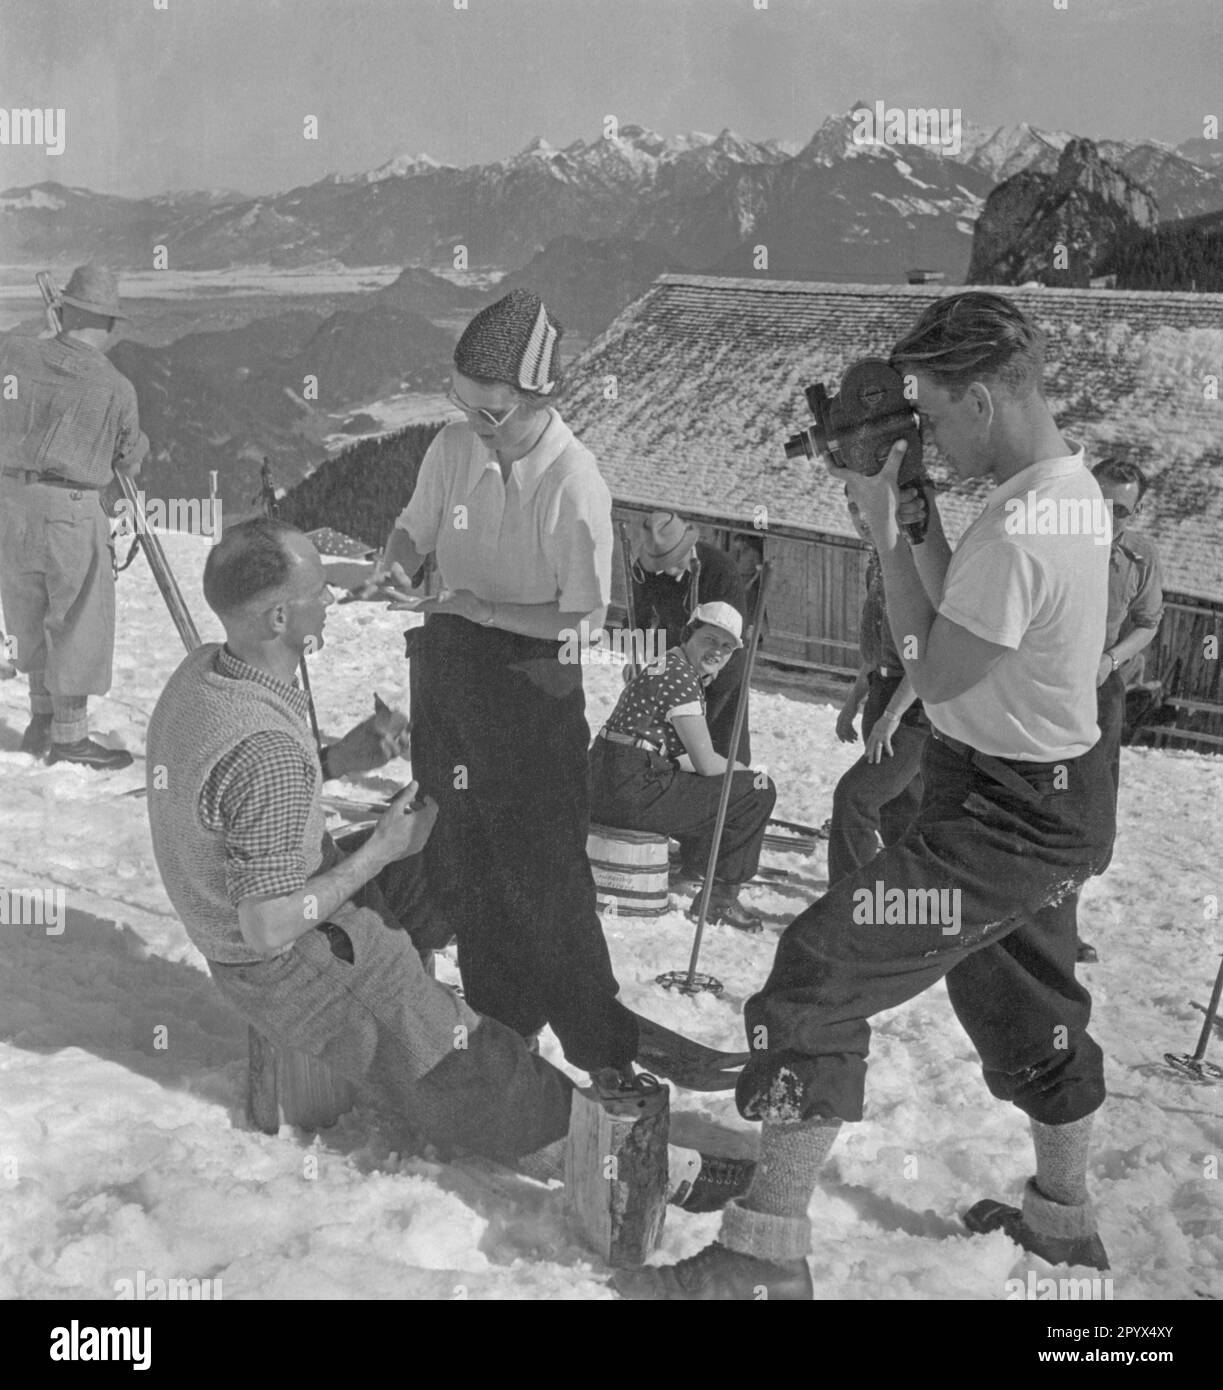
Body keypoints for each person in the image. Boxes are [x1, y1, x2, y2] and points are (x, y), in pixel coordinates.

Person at [616, 290, 1116, 1300]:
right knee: (1024, 1001)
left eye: (930, 414)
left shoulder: (1027, 530)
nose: (924, 433)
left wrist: (885, 531)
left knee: (817, 969)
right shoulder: (1055, 492)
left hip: (1003, 820)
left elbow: (929, 670)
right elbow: (953, 603)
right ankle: (1062, 1225)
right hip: (1025, 795)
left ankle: (763, 1258)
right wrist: (915, 515)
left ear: (980, 398)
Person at [145, 516, 753, 1209]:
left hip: (283, 899)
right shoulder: (267, 753)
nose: (333, 599)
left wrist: (342, 762)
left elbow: (238, 802)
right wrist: (379, 849)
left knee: (461, 848)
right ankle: (641, 1163)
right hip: (288, 960)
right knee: (455, 1056)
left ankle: (521, 1000)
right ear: (280, 616)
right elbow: (266, 925)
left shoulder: (208, 673)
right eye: (319, 589)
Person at [372, 289, 639, 1089]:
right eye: (465, 406)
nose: (474, 423)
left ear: (535, 400)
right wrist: (396, 558)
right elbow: (414, 526)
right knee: (464, 861)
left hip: (530, 685)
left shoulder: (574, 482)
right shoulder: (455, 447)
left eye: (490, 412)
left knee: (544, 879)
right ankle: (503, 1030)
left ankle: (603, 1055)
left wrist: (481, 606)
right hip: (451, 663)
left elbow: (583, 618)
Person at [0, 264, 148, 770]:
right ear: (106, 323)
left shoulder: (14, 355)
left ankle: (40, 719)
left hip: (10, 503)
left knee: (27, 610)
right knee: (76, 617)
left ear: (64, 309)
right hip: (69, 509)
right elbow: (126, 458)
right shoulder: (113, 386)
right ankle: (69, 736)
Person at [590, 601, 776, 933]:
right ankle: (720, 898)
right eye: (710, 640)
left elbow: (683, 757)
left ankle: (699, 863)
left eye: (727, 647)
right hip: (631, 790)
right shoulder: (681, 679)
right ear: (689, 634)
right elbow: (705, 763)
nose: (717, 652)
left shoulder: (665, 665)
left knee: (728, 781)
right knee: (758, 790)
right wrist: (745, 773)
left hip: (603, 781)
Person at [1074, 456, 1164, 963]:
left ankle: (1063, 923)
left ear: (1136, 513)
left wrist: (1111, 659)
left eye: (1121, 510)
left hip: (1101, 687)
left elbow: (1148, 622)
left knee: (1089, 808)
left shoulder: (1140, 557)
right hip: (1039, 683)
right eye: (1098, 502)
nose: (1107, 518)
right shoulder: (1050, 538)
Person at [827, 492, 928, 884]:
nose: (860, 517)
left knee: (855, 798)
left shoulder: (917, 566)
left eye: (867, 506)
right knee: (900, 812)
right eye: (853, 508)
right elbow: (874, 644)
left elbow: (927, 656)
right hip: (883, 693)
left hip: (914, 707)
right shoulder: (878, 564)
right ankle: (911, 899)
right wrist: (854, 701)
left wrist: (891, 716)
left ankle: (846, 900)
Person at [631, 512, 753, 763]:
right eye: (662, 563)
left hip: (720, 662)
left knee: (715, 748)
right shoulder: (646, 571)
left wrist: (705, 673)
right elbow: (638, 621)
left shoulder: (721, 571)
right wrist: (634, 661)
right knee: (670, 746)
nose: (670, 568)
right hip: (674, 658)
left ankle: (729, 793)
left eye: (676, 559)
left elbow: (729, 634)